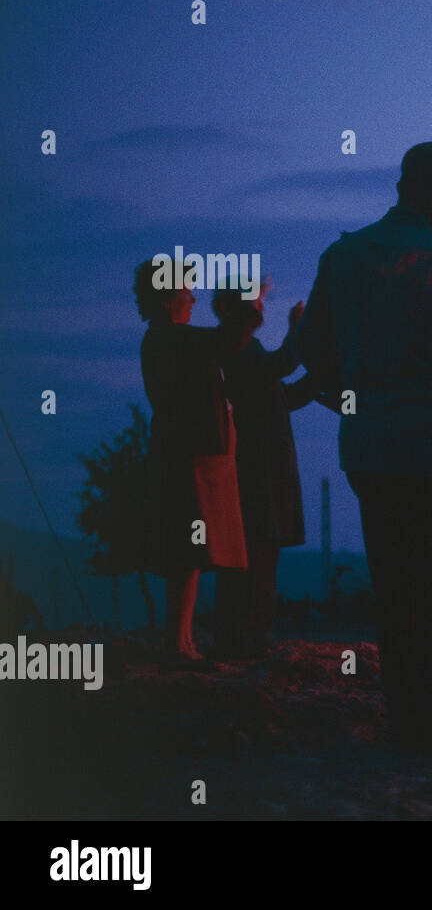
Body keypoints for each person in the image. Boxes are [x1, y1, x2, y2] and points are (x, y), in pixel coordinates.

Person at [295, 141, 432, 760]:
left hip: (370, 454)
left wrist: (359, 406)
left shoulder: (343, 257)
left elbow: (313, 351)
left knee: (397, 593)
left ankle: (406, 727)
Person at [137, 259, 258, 670]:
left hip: (190, 455)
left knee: (190, 552)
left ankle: (182, 640)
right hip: (188, 458)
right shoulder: (171, 338)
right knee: (187, 552)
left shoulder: (166, 338)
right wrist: (248, 305)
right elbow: (229, 339)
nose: (193, 298)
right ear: (171, 297)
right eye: (187, 291)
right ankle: (176, 643)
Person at [210, 280, 324, 660]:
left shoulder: (246, 350)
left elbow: (280, 394)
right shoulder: (236, 350)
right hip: (256, 471)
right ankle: (241, 640)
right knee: (255, 554)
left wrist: (318, 377)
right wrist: (298, 327)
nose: (261, 310)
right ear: (231, 308)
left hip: (267, 469)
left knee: (262, 554)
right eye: (255, 304)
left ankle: (250, 636)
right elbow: (282, 365)